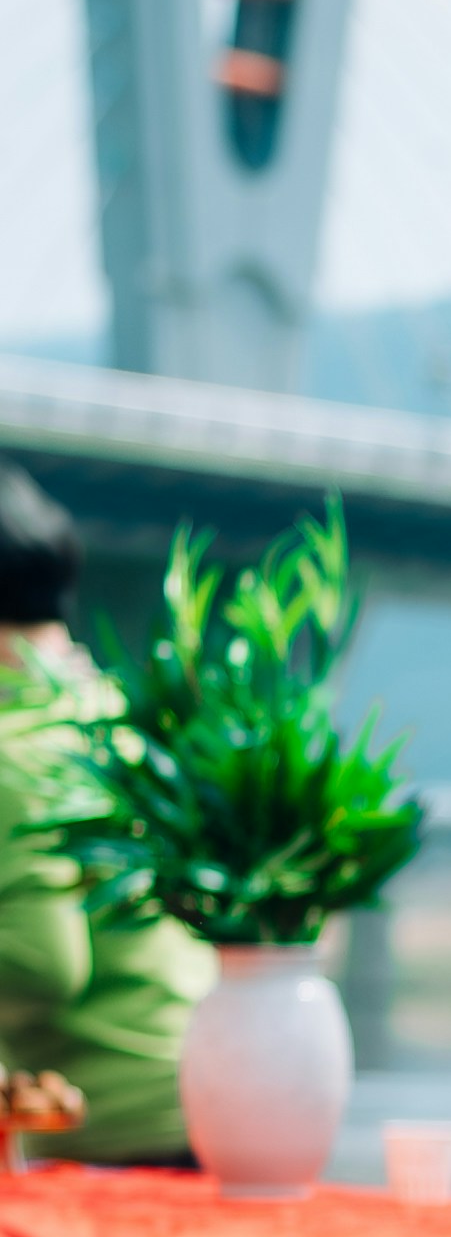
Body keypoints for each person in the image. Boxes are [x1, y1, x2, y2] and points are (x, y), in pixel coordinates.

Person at [0, 461, 208, 1163]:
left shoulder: (11, 749)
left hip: (118, 1134)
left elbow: (43, 965)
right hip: (215, 1095)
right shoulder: (113, 713)